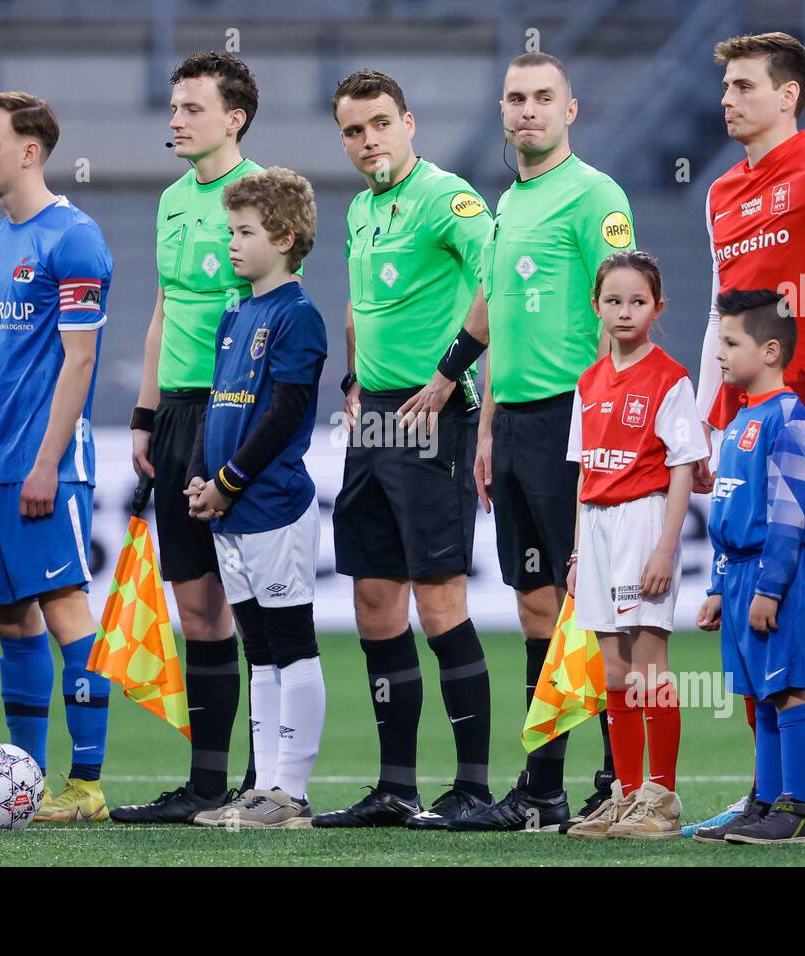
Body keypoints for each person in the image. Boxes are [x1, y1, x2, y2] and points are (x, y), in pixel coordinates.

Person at [456, 52, 634, 832]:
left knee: (590, 602)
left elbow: (620, 316)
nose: (527, 110)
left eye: (542, 98)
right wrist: (489, 425)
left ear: (571, 110)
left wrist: (606, 426)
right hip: (519, 422)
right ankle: (542, 790)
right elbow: (501, 318)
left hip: (575, 419)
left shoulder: (596, 196)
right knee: (537, 607)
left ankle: (619, 779)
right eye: (515, 99)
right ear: (503, 113)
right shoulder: (507, 203)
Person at [314, 69, 495, 830]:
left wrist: (451, 375)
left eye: (379, 124)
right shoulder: (360, 209)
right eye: (354, 130)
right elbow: (359, 308)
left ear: (408, 123)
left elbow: (497, 285)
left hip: (434, 417)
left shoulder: (448, 197)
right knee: (375, 601)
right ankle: (396, 787)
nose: (368, 141)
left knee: (439, 597)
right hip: (376, 420)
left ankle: (475, 789)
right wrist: (354, 384)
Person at [689, 33, 805, 835]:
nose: (728, 98)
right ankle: (776, 794)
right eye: (726, 85)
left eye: (745, 85)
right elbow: (720, 313)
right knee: (761, 630)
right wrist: (701, 419)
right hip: (744, 424)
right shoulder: (719, 191)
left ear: (789, 97)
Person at [0, 91, 114, 823]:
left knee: (65, 609)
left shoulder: (74, 239)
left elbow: (80, 363)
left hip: (47, 464)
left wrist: (47, 462)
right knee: (12, 620)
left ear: (30, 152)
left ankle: (86, 786)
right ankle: (28, 785)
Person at [115, 52, 265, 824]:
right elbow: (166, 310)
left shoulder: (263, 197)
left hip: (235, 410)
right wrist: (145, 416)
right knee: (198, 606)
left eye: (191, 108)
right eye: (173, 107)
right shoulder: (174, 199)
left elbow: (277, 317)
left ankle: (265, 782)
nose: (175, 119)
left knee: (255, 602)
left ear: (233, 118)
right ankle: (207, 785)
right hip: (175, 415)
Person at [183, 167, 327, 829]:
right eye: (231, 229)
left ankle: (291, 793)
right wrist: (199, 477)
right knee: (258, 649)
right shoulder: (235, 312)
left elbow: (285, 412)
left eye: (245, 231)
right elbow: (219, 403)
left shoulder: (299, 315)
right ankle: (262, 787)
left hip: (271, 505)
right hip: (229, 508)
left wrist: (229, 482)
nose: (232, 243)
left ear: (286, 237)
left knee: (292, 643)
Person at [563, 251, 708, 841]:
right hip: (596, 529)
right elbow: (582, 474)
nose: (625, 312)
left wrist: (665, 549)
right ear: (596, 305)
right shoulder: (590, 381)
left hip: (642, 523)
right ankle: (624, 795)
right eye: (614, 301)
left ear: (658, 308)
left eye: (638, 301)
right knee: (614, 670)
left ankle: (662, 797)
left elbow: (680, 469)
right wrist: (576, 554)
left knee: (650, 665)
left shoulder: (670, 378)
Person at [694, 289, 805, 846]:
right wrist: (721, 584)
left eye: (730, 342)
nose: (719, 353)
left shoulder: (789, 418)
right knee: (762, 694)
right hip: (742, 573)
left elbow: (789, 515)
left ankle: (797, 810)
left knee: (790, 688)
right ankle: (765, 800)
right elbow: (727, 507)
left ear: (770, 351)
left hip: (779, 576)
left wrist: (770, 587)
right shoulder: (744, 418)